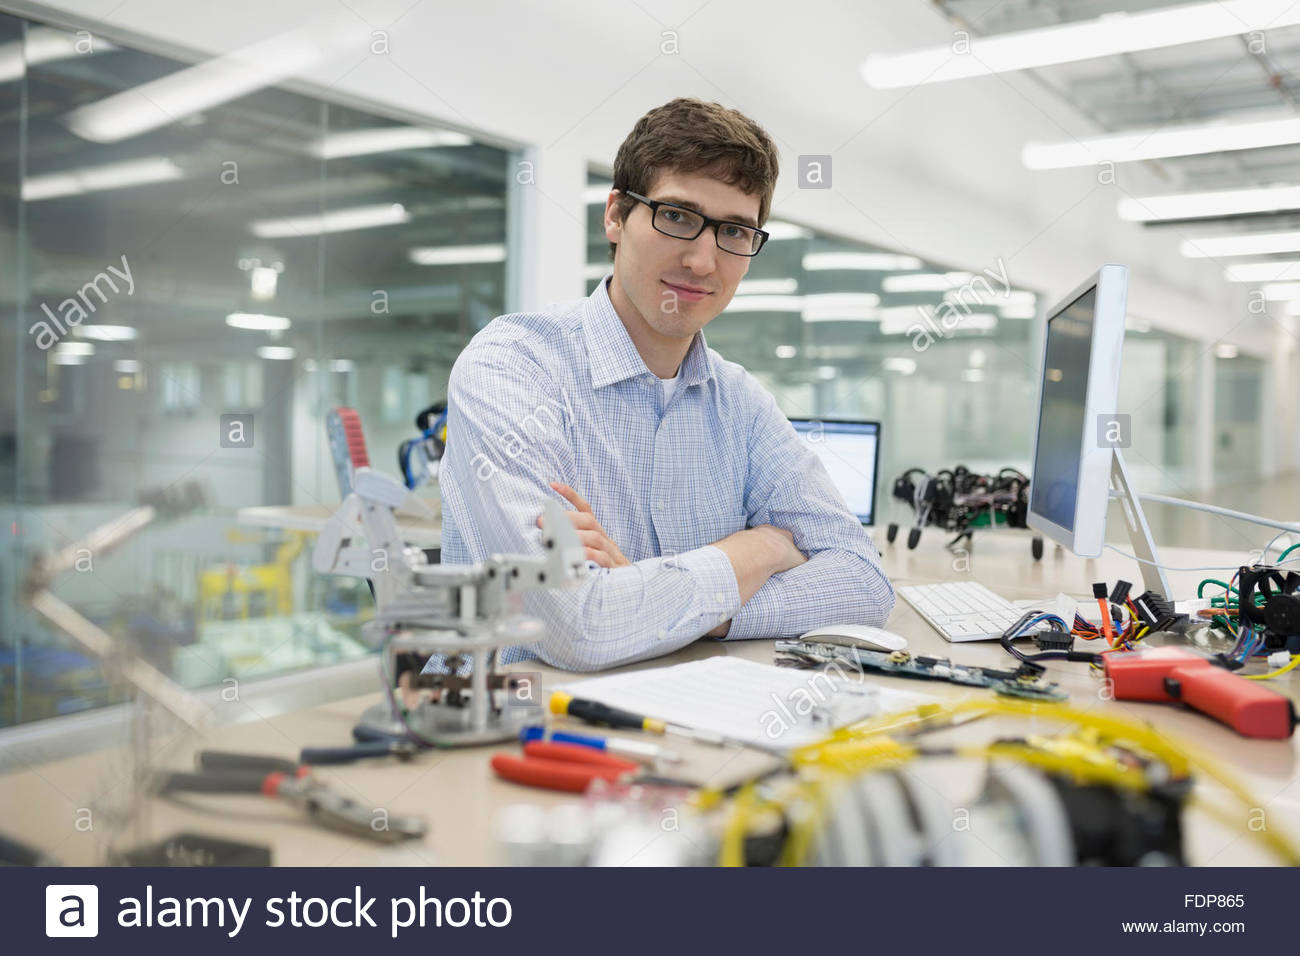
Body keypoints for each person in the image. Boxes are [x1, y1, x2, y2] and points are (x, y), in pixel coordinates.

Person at [436, 96, 894, 672]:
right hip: (506, 728)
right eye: (677, 216)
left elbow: (865, 582)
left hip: (688, 724)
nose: (704, 262)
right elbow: (571, 624)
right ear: (615, 216)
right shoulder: (512, 369)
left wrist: (669, 600)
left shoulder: (741, 403)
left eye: (734, 231)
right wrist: (754, 551)